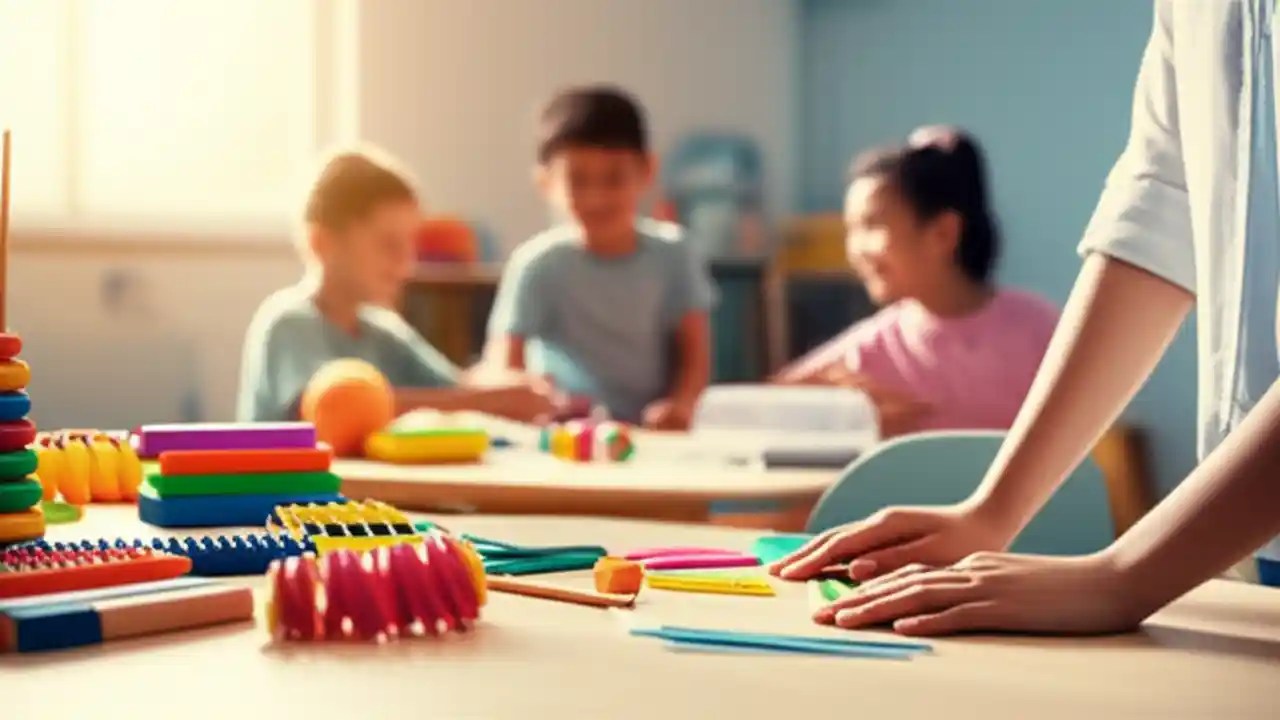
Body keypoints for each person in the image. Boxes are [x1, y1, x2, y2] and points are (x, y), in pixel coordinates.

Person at [772, 0, 1280, 636]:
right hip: (1242, 543)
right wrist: (991, 513)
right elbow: (1157, 210)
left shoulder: (1027, 323)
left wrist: (1121, 577)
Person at [237, 148, 558, 423]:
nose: (406, 264)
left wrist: (512, 387)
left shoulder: (382, 331)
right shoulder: (289, 323)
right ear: (322, 242)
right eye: (389, 245)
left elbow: (456, 386)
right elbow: (333, 409)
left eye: (410, 245)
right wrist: (486, 402)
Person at [775, 130, 1059, 437]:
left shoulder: (1040, 328)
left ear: (943, 233)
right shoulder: (866, 353)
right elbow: (761, 409)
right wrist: (846, 417)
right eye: (851, 230)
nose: (856, 250)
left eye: (872, 225)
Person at [481, 86, 714, 430]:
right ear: (545, 182)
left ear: (647, 170)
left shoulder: (675, 254)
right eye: (577, 180)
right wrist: (528, 397)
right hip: (563, 433)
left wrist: (680, 407)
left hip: (653, 433)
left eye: (614, 178)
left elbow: (695, 360)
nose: (596, 198)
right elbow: (503, 366)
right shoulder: (537, 264)